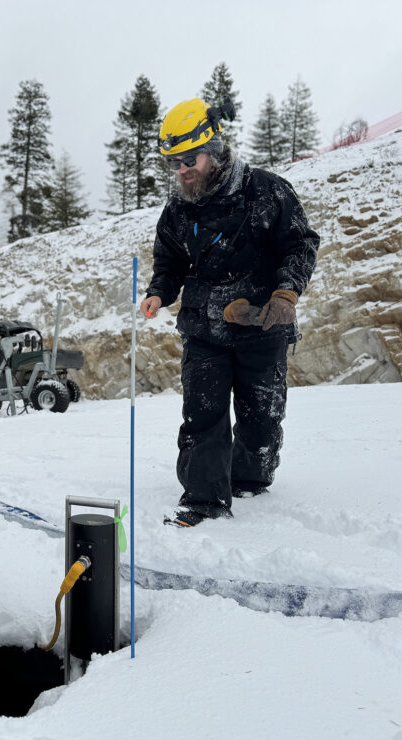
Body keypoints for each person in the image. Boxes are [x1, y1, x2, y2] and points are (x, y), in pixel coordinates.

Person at [141, 98, 319, 527]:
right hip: (204, 327)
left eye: (189, 159)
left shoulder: (266, 191)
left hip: (262, 325)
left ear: (215, 150)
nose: (182, 170)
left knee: (261, 422)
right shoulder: (179, 209)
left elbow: (300, 244)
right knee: (203, 414)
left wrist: (286, 295)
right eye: (174, 163)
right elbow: (170, 262)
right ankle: (204, 500)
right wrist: (159, 292)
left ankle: (249, 478)